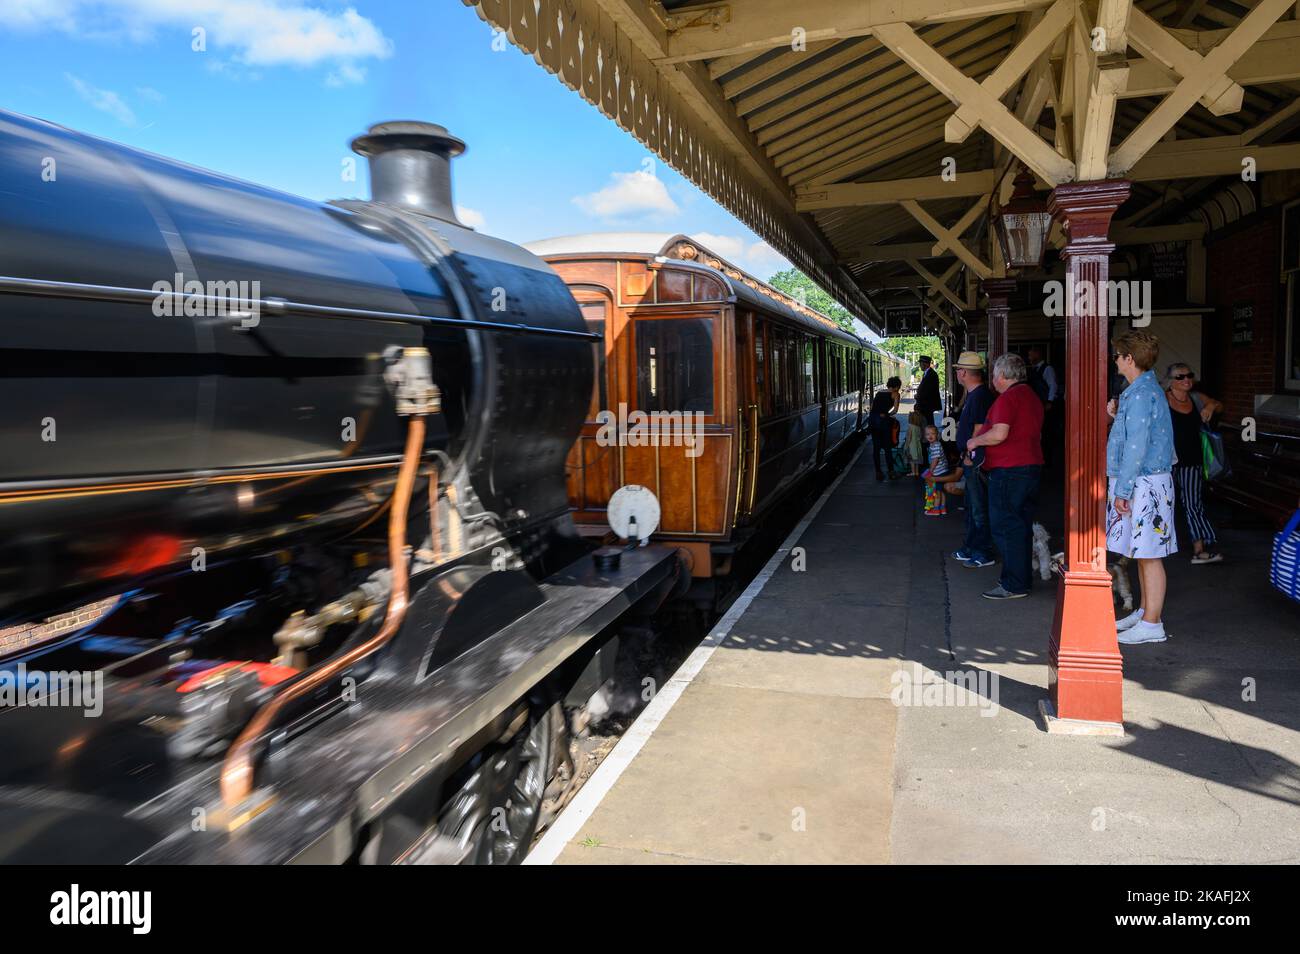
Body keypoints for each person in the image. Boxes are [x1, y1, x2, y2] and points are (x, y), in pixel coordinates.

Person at [1106, 331, 1178, 644]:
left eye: (1118, 355)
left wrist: (1122, 491)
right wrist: (1116, 415)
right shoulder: (1143, 390)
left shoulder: (1138, 394)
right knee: (1143, 550)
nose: (1115, 360)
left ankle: (1152, 624)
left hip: (1144, 481)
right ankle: (1146, 612)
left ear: (1129, 359)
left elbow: (1136, 446)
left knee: (1149, 554)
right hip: (1150, 479)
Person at [965, 353, 1044, 600]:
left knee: (1005, 526)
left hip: (1010, 471)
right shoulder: (1030, 396)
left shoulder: (1008, 398)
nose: (993, 380)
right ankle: (1020, 579)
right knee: (1020, 525)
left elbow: (999, 434)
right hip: (1030, 467)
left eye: (995, 374)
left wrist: (974, 441)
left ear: (1002, 375)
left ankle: (1013, 584)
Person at [1165, 362, 1224, 564]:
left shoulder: (1197, 398)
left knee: (1192, 504)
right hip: (1166, 462)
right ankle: (1156, 548)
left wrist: (1210, 406)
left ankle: (1199, 549)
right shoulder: (1163, 398)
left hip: (1193, 461)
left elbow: (1219, 404)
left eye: (1189, 375)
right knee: (1164, 503)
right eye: (1180, 377)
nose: (1186, 380)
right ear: (1171, 381)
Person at [951, 351, 997, 568]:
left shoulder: (980, 396)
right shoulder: (973, 394)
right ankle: (970, 546)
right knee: (971, 506)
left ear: (965, 373)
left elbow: (979, 429)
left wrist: (970, 456)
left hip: (975, 461)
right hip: (969, 458)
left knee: (979, 508)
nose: (957, 373)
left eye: (959, 370)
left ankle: (983, 551)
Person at [1028, 346, 1061, 466]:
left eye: (1031, 355)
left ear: (1037, 354)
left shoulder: (1047, 369)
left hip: (1045, 405)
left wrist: (1049, 401)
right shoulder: (1033, 370)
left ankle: (1047, 461)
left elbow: (1053, 385)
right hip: (1037, 405)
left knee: (1047, 433)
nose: (1029, 358)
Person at [868, 376, 902, 481]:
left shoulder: (879, 393)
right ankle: (891, 472)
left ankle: (878, 472)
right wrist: (887, 415)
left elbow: (872, 407)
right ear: (896, 386)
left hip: (873, 421)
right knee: (887, 448)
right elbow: (895, 410)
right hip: (884, 423)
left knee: (876, 449)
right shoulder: (895, 394)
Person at [922, 424, 950, 515]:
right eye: (927, 434)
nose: (930, 436)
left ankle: (936, 509)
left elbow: (935, 460)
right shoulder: (934, 444)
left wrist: (930, 471)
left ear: (937, 435)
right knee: (941, 490)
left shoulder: (935, 446)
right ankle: (943, 508)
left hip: (939, 472)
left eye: (932, 434)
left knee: (937, 491)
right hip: (943, 470)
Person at [913, 354, 942, 425]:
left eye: (921, 363)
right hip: (925, 405)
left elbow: (928, 391)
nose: (920, 365)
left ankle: (930, 435)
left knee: (928, 423)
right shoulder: (927, 373)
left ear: (925, 364)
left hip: (927, 405)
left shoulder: (931, 375)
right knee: (926, 422)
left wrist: (918, 396)